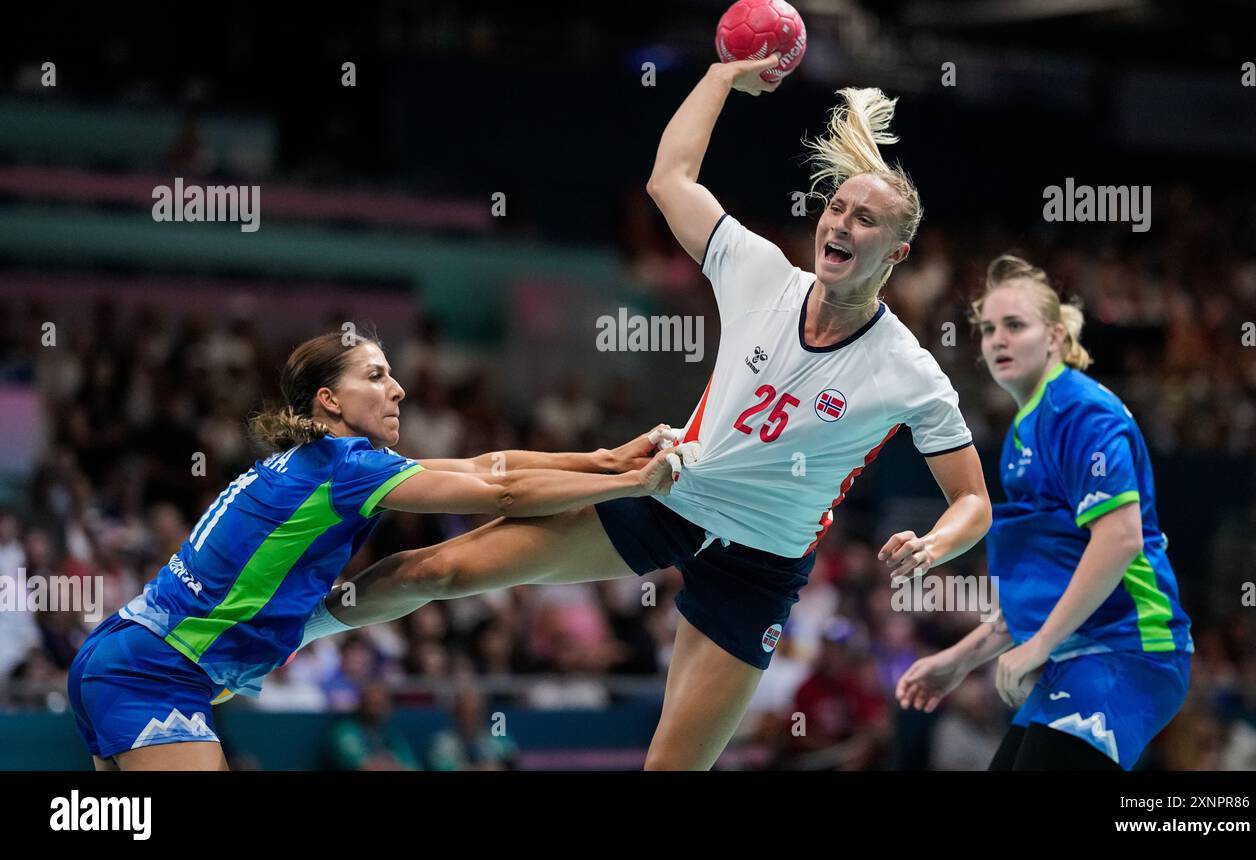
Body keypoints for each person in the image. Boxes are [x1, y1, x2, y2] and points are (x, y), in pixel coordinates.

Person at [300, 55, 992, 770]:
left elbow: (972, 500)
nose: (841, 223)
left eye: (866, 218)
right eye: (837, 206)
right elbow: (671, 180)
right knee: (434, 571)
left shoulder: (910, 372)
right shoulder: (760, 273)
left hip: (761, 566)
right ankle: (279, 634)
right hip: (663, 496)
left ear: (898, 250)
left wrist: (936, 543)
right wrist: (722, 78)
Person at [66, 329, 679, 770]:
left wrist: (602, 459)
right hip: (154, 674)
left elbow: (483, 462)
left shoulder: (325, 463)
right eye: (377, 375)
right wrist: (628, 486)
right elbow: (505, 491)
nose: (400, 389)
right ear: (330, 401)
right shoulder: (348, 468)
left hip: (127, 656)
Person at [895, 256, 1194, 770]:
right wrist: (958, 661)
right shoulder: (1022, 434)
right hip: (1074, 656)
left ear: (1055, 337)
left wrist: (1039, 647)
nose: (997, 340)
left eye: (1015, 325)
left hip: (1130, 650)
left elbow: (1119, 540)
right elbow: (1048, 583)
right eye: (988, 329)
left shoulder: (1082, 413)